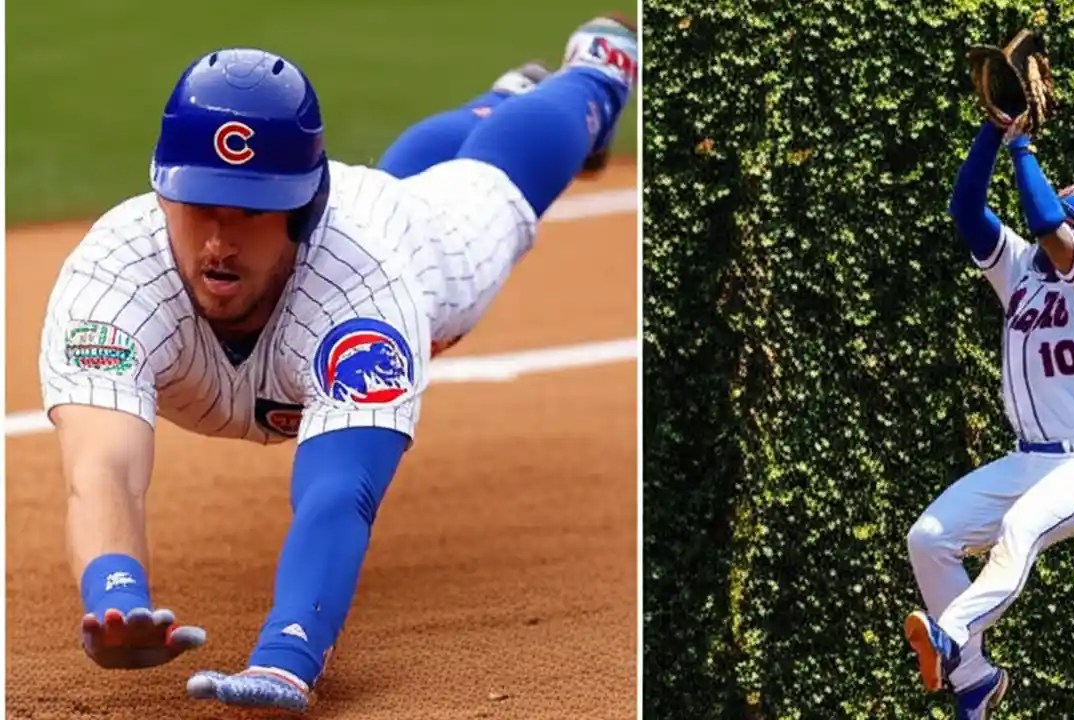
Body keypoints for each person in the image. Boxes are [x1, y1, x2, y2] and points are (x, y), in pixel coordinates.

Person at [38, 15, 636, 713]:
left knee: (484, 189)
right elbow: (102, 467)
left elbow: (340, 491)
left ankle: (598, 71)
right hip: (359, 219)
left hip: (416, 241)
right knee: (406, 182)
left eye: (252, 211)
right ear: (163, 191)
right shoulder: (112, 280)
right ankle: (500, 98)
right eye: (200, 205)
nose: (219, 242)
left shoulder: (368, 290)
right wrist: (115, 592)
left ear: (303, 210)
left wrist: (289, 655)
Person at [901, 114, 1074, 720]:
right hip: (1031, 456)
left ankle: (950, 634)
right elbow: (966, 209)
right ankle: (974, 678)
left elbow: (1046, 222)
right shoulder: (1022, 270)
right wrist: (993, 130)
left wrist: (1023, 146)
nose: (1060, 229)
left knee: (1020, 528)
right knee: (928, 538)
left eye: (1073, 223)